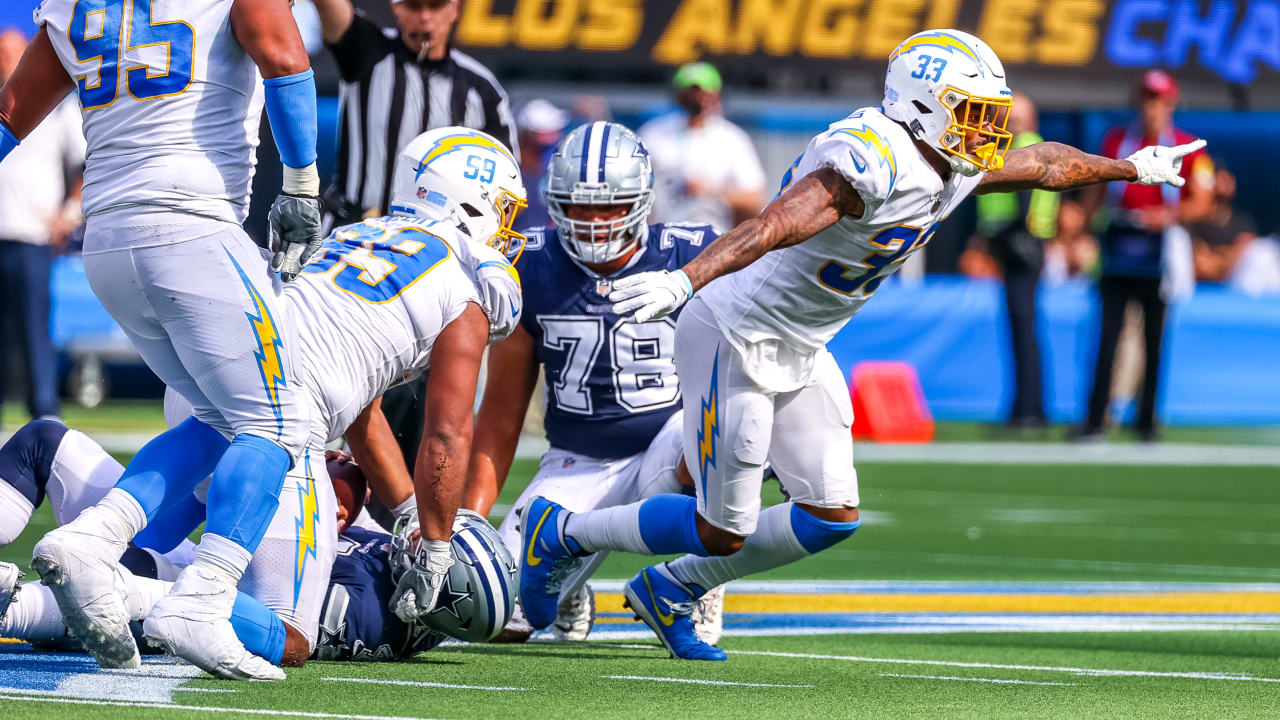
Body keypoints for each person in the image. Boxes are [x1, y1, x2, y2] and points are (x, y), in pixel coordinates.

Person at [519, 29, 1204, 661]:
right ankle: (565, 533)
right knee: (722, 527)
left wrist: (1132, 169)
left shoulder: (951, 156)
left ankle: (671, 589)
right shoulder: (875, 154)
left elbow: (1046, 163)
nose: (985, 128)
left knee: (829, 514)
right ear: (920, 106)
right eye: (970, 111)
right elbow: (779, 221)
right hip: (738, 331)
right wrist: (686, 280)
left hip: (803, 342)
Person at [0, 0, 326, 677]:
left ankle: (94, 538)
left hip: (109, 240)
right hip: (191, 223)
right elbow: (283, 53)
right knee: (278, 421)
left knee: (216, 418)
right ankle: (202, 601)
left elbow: (11, 111)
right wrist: (302, 183)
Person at [461, 121, 725, 644]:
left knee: (722, 430)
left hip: (672, 446)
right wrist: (470, 523)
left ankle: (697, 575)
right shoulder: (529, 265)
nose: (594, 222)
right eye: (578, 207)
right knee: (490, 616)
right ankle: (569, 581)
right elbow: (501, 412)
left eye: (609, 206)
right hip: (578, 462)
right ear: (553, 202)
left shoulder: (690, 254)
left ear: (643, 201)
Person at [0, 424, 501, 664]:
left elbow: (273, 614)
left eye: (443, 548)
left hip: (190, 594)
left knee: (117, 578)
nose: (426, 538)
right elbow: (349, 496)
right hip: (190, 557)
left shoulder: (369, 613)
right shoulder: (401, 585)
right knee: (44, 442)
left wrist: (333, 487)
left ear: (438, 597)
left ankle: (13, 611)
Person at [1077, 70, 1214, 442]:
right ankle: (1095, 418)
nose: (1151, 106)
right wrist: (1084, 230)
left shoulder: (1188, 147)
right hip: (1119, 245)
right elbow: (1097, 187)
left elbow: (1202, 202)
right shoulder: (1118, 140)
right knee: (1107, 336)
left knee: (1155, 338)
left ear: (1170, 103)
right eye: (1147, 98)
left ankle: (1147, 419)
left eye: (1158, 99)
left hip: (1161, 251)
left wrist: (1165, 216)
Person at [313, 0, 518, 228]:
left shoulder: (482, 88)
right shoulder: (368, 50)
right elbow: (330, 8)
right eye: (414, 6)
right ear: (396, 8)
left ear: (455, 9)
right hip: (352, 226)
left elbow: (506, 184)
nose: (425, 17)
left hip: (441, 235)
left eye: (435, 6)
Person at [0, 30, 84, 423]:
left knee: (35, 332)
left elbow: (83, 164)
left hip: (30, 237)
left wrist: (70, 211)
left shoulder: (56, 109)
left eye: (14, 53)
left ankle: (45, 421)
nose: (7, 61)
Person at [972, 93, 1057, 429]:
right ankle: (1026, 406)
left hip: (1023, 245)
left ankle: (1029, 410)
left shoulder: (1026, 147)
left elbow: (1023, 205)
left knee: (1023, 330)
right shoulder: (1020, 145)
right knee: (1023, 330)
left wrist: (994, 235)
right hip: (1022, 245)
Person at [638, 62, 765, 233]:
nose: (697, 99)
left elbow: (754, 197)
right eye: (691, 92)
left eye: (704, 92)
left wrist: (711, 191)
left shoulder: (732, 138)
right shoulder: (653, 134)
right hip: (661, 238)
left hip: (714, 241)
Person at [1189, 165, 1256, 284]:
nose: (1223, 186)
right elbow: (1197, 263)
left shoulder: (1243, 221)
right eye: (1219, 180)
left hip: (1234, 292)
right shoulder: (1195, 223)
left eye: (1227, 180)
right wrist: (1225, 257)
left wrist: (1213, 257)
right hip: (1200, 291)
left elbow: (1244, 259)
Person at [514, 99, 571, 230]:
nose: (556, 136)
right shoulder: (512, 174)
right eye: (548, 132)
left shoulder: (553, 170)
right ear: (529, 135)